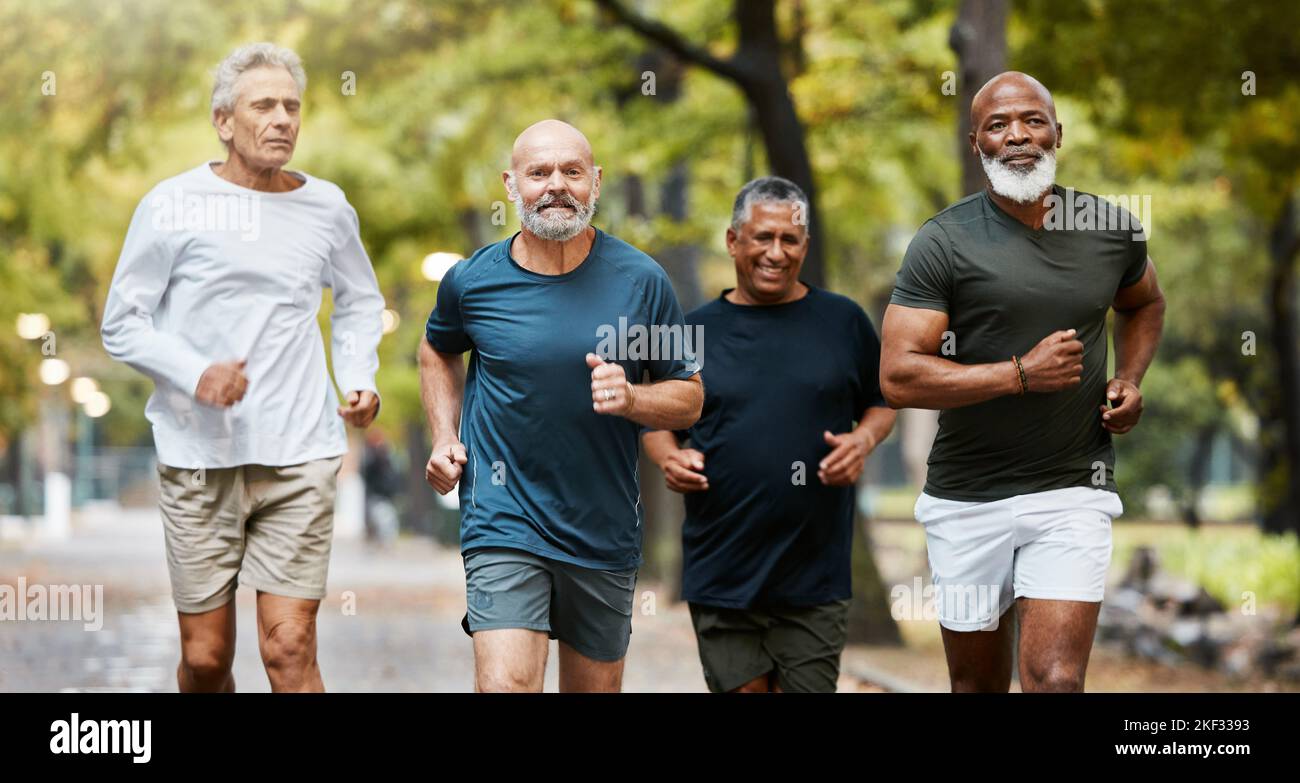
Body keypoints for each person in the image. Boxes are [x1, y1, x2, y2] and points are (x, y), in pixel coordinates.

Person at [101, 42, 384, 693]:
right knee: (206, 658)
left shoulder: (328, 207)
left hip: (300, 449)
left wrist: (358, 376)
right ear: (224, 121)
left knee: (288, 648)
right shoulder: (172, 204)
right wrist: (196, 371)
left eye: (292, 106)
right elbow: (122, 321)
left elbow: (360, 300)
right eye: (264, 105)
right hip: (198, 451)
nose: (283, 118)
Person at [880, 71, 1166, 692]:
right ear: (976, 142)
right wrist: (1018, 375)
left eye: (1033, 120)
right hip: (967, 496)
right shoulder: (943, 241)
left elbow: (1144, 302)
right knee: (978, 688)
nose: (1018, 136)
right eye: (998, 125)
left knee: (1057, 681)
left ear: (1057, 133)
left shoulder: (1109, 227)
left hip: (1072, 488)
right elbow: (898, 376)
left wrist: (1130, 379)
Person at [419, 119, 703, 692]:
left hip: (601, 526)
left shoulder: (645, 281)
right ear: (510, 184)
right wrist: (444, 436)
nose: (556, 185)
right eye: (539, 172)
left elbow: (691, 397)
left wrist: (633, 397)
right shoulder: (471, 281)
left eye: (572, 172)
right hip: (502, 517)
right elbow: (436, 349)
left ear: (595, 181)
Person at [642, 176, 896, 693]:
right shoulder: (691, 334)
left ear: (805, 244)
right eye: (762, 238)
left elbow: (882, 400)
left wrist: (862, 441)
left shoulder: (843, 321)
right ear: (734, 240)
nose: (775, 253)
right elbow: (653, 416)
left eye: (789, 240)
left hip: (815, 576)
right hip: (722, 571)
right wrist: (668, 457)